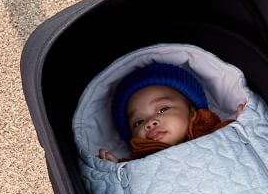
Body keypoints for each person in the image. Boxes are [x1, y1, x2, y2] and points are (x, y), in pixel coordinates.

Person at [98, 62, 243, 162]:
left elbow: (238, 143)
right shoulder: (137, 163)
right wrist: (115, 166)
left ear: (191, 109)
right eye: (138, 122)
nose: (150, 122)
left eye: (162, 109)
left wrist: (243, 124)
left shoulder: (217, 132)